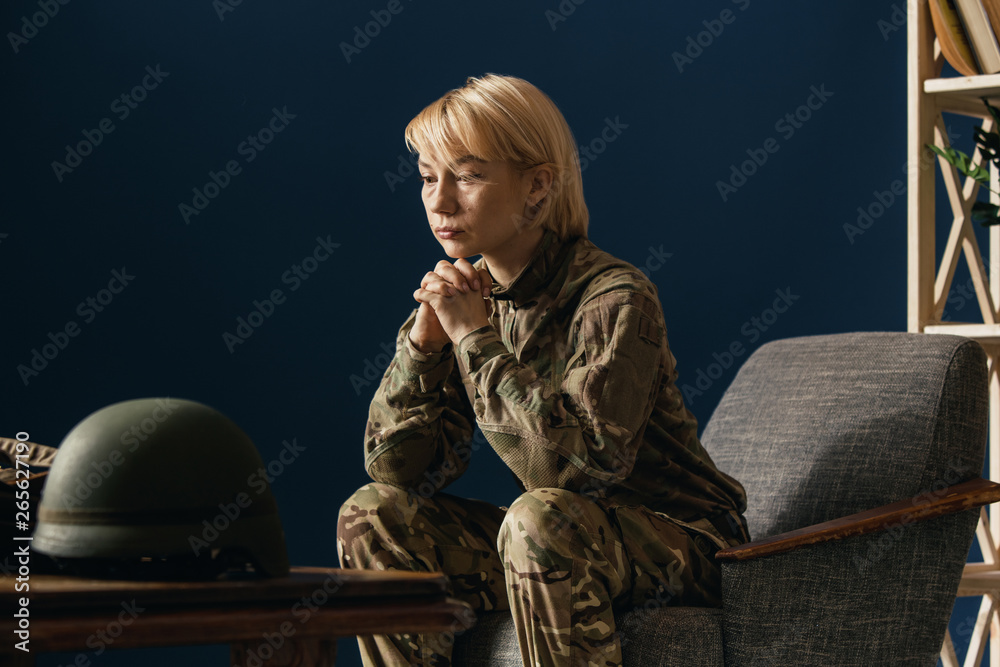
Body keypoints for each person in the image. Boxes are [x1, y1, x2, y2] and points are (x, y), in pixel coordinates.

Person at [337, 73, 748, 667]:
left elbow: (578, 471)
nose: (440, 200)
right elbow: (399, 469)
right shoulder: (465, 300)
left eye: (469, 175)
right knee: (371, 513)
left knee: (542, 518)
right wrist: (426, 347)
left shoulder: (615, 296)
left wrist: (474, 340)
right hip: (564, 535)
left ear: (537, 187)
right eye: (429, 177)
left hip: (687, 543)